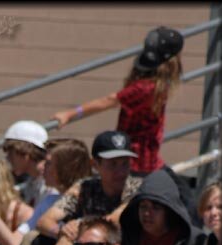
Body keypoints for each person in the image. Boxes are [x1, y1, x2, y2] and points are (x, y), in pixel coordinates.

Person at [52, 26, 184, 175]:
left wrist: (71, 114)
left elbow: (111, 100)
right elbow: (112, 100)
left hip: (143, 162)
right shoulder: (152, 86)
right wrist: (71, 114)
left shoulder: (150, 87)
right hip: (138, 162)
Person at [37, 131, 142, 245]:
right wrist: (63, 234)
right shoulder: (84, 187)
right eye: (113, 164)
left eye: (125, 164)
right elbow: (44, 221)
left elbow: (112, 221)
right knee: (38, 241)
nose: (120, 171)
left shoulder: (137, 187)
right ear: (95, 164)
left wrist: (76, 230)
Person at [2, 120, 48, 207]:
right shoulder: (32, 181)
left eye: (11, 153)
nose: (8, 158)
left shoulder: (50, 183)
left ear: (25, 152)